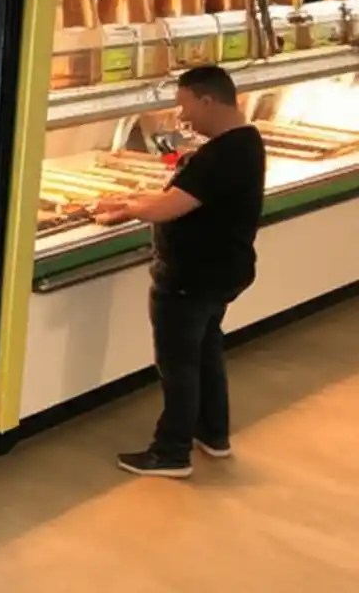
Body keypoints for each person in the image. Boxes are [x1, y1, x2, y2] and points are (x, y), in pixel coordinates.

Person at [94, 65, 265, 478]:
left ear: (207, 100)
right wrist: (137, 197)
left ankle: (170, 452)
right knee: (205, 351)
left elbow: (170, 206)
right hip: (224, 272)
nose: (181, 116)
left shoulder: (221, 155)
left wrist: (125, 209)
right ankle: (213, 435)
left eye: (184, 105)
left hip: (192, 277)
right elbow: (181, 196)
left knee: (179, 363)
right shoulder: (247, 142)